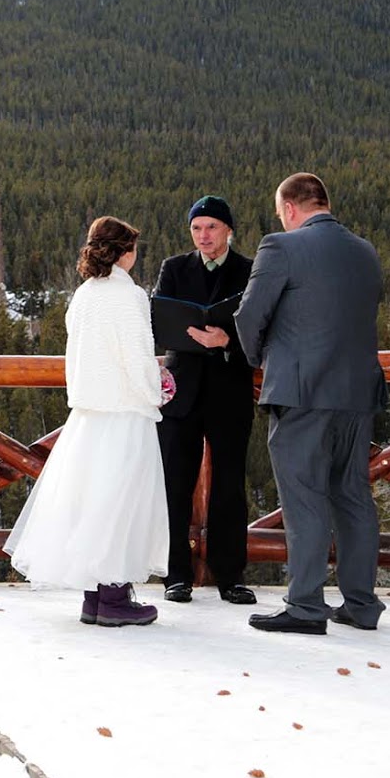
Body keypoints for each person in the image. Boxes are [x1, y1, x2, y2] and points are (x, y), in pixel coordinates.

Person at [233, 173, 388, 635]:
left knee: (304, 500)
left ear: (290, 208)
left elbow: (248, 317)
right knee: (354, 496)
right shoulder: (365, 251)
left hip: (301, 392)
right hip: (358, 392)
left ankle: (305, 607)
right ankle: (361, 604)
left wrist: (264, 363)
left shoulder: (281, 246)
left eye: (282, 211)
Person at [5, 216, 171, 627]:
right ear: (125, 252)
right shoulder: (127, 295)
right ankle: (114, 597)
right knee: (121, 502)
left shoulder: (83, 295)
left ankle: (94, 599)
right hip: (124, 411)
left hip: (89, 414)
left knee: (92, 501)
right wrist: (158, 388)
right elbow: (135, 355)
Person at [154, 195, 257, 606]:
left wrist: (227, 340)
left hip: (231, 391)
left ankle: (230, 576)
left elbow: (263, 328)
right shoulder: (174, 269)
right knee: (174, 485)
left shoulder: (251, 271)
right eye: (197, 229)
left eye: (211, 227)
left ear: (229, 230)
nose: (204, 236)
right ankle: (175, 574)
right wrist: (194, 337)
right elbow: (161, 322)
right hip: (182, 392)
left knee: (230, 486)